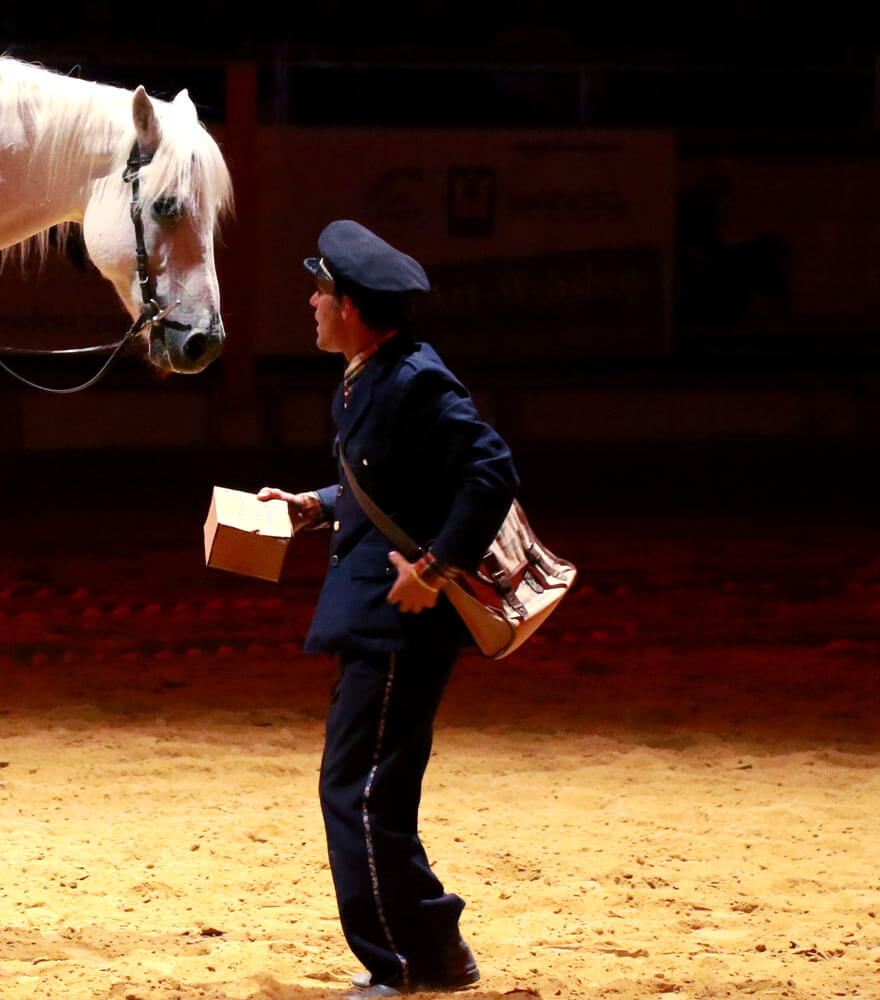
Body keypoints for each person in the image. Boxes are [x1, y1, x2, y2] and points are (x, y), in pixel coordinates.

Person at [256, 220, 517, 998]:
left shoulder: (413, 380)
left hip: (401, 621)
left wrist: (435, 569)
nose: (310, 301)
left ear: (354, 309)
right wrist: (316, 503)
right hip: (376, 614)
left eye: (321, 292)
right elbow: (394, 482)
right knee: (374, 789)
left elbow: (491, 471)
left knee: (361, 792)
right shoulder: (373, 371)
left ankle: (398, 966)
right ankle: (436, 952)